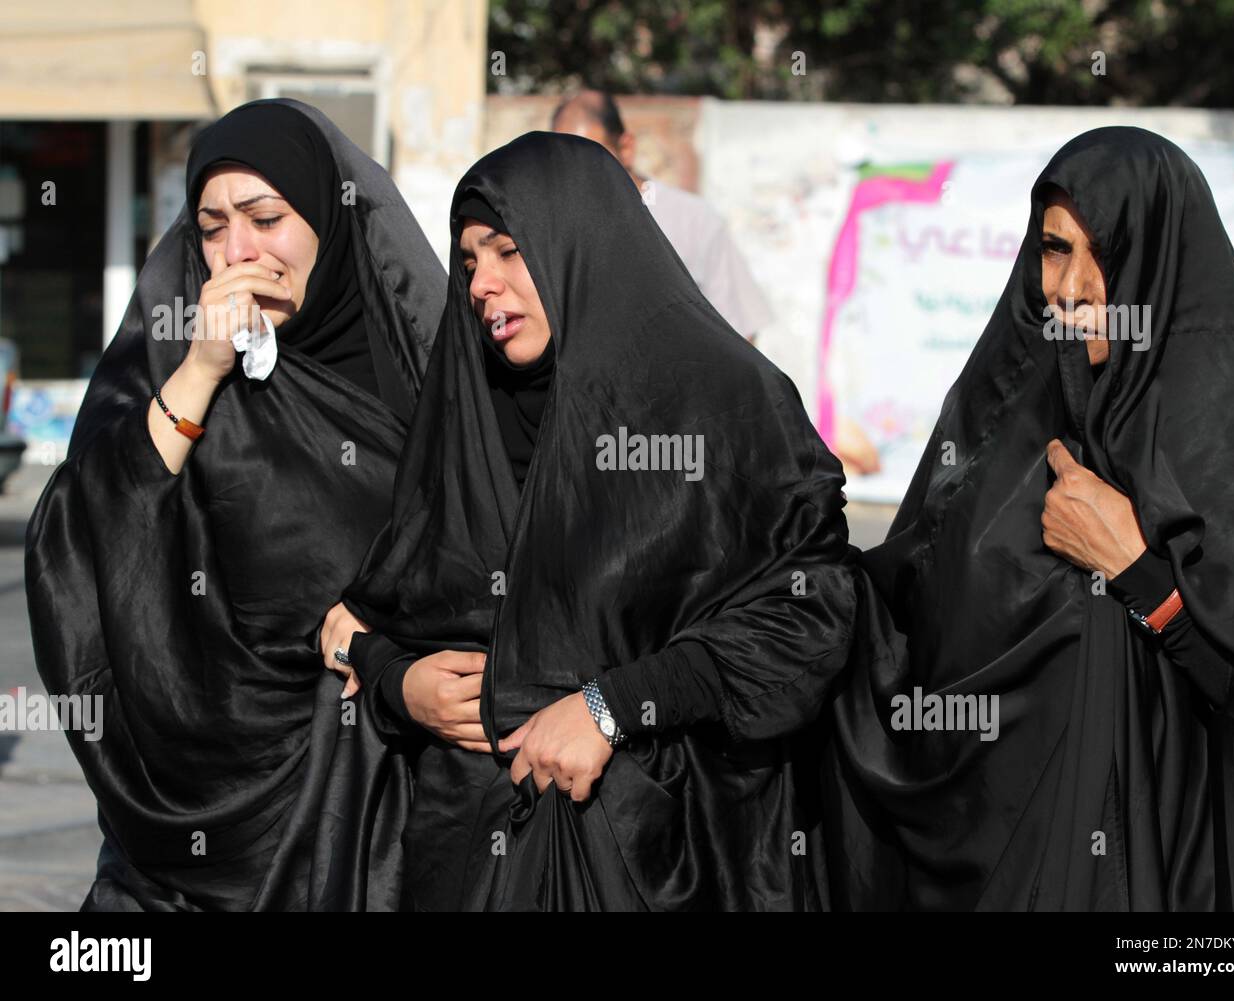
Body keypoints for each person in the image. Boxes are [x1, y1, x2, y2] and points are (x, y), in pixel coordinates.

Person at [341, 131, 860, 911]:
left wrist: (613, 706)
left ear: (577, 241)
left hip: (662, 850)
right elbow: (404, 596)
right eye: (469, 260)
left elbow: (809, 611)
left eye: (509, 251)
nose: (483, 283)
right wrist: (395, 679)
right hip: (473, 850)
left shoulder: (721, 402)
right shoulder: (467, 412)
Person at [818, 127, 1234, 910]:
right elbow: (899, 621)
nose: (1071, 288)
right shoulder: (998, 425)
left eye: (1101, 255)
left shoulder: (1227, 447)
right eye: (1052, 249)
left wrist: (1145, 579)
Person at [24, 99, 444, 910]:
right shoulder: (170, 349)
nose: (237, 252)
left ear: (328, 218)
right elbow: (82, 543)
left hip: (381, 811)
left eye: (265, 218)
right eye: (213, 225)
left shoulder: (414, 364)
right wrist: (200, 369)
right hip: (195, 838)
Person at [552, 89, 773, 342]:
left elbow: (740, 337)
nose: (577, 175)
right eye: (562, 162)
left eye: (590, 158)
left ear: (626, 148)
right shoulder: (552, 228)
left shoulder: (692, 221)